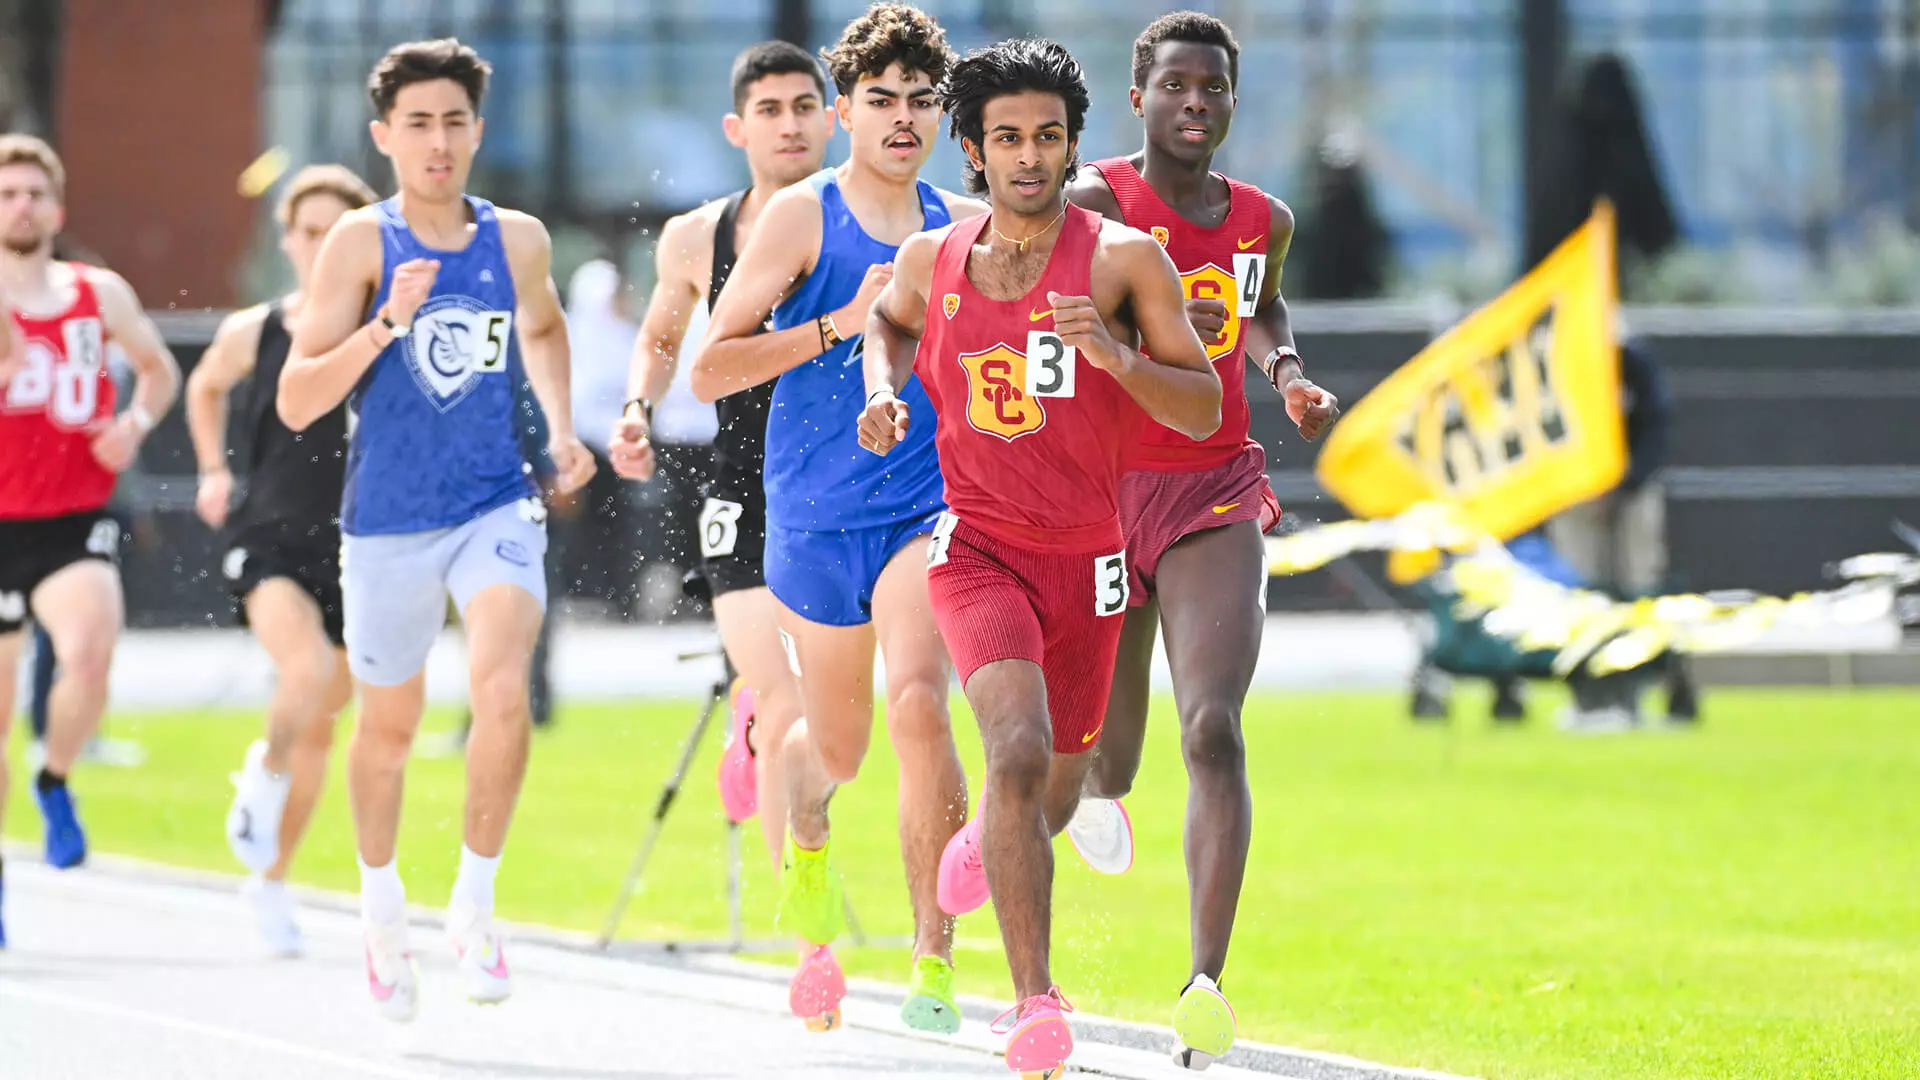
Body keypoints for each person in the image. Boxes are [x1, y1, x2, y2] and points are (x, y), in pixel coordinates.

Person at [861, 38, 1222, 1078]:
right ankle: (1034, 1004)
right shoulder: (935, 259)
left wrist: (1115, 355)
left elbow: (1201, 407)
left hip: (1091, 562)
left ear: (1071, 145)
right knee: (1014, 751)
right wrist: (882, 392)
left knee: (1054, 791)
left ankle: (991, 837)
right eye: (1009, 138)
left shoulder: (1122, 261)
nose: (1030, 156)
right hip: (978, 549)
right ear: (973, 150)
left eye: (1049, 137)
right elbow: (888, 321)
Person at [275, 38, 594, 1021]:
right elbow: (296, 399)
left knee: (501, 684)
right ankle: (381, 916)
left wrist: (562, 429)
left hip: (494, 501)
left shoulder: (519, 240)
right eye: (418, 123)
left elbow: (545, 327)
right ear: (384, 137)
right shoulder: (359, 245)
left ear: (478, 131)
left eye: (454, 121)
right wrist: (385, 324)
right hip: (386, 524)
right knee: (389, 730)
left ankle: (475, 905)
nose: (438, 141)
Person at [687, 2, 982, 1035]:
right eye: (881, 99)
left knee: (920, 701)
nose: (903, 118)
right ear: (844, 111)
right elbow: (709, 369)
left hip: (924, 506)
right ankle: (800, 815)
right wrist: (834, 327)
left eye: (922, 101)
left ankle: (933, 962)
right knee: (841, 751)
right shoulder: (801, 217)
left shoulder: (964, 223)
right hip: (813, 521)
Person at [1057, 13, 1340, 1067]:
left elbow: (1260, 307)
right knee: (1111, 761)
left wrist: (1287, 373)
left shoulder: (1264, 218)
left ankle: (1205, 985)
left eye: (1212, 88)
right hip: (1099, 495)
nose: (1194, 103)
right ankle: (1091, 791)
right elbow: (1048, 318)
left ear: (1230, 102)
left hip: (1212, 487)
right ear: (1138, 98)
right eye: (1174, 85)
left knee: (1213, 729)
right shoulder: (1094, 202)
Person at [607, 40, 833, 867]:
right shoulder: (697, 236)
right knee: (785, 701)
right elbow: (661, 339)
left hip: (846, 484)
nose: (789, 125)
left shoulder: (865, 224)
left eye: (803, 107)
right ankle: (798, 911)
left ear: (832, 119)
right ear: (738, 128)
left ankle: (755, 724)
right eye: (769, 110)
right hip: (743, 481)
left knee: (831, 719)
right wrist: (637, 411)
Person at [186, 164, 377, 955]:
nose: (320, 245)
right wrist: (213, 469)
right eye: (308, 232)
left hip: (361, 545)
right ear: (288, 240)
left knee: (322, 731)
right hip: (269, 535)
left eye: (337, 232)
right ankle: (262, 775)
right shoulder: (258, 329)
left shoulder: (385, 329)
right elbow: (204, 387)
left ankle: (271, 880)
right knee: (304, 669)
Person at [0, 134, 181, 948]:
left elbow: (159, 369)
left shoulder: (96, 293)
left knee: (91, 655)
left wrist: (134, 425)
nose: (21, 207)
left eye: (34, 194)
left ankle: (55, 777)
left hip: (73, 515)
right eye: (7, 194)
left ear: (58, 208)